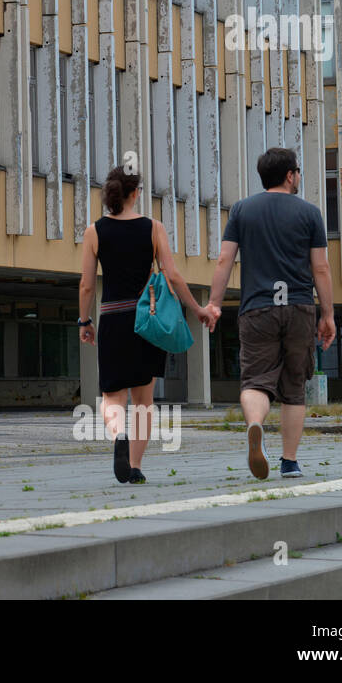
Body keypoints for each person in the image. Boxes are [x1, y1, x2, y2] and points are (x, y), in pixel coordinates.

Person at [79, 167, 216, 485]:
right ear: (135, 193)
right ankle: (136, 467)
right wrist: (196, 309)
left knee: (112, 396)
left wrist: (84, 321)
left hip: (113, 319)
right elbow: (172, 275)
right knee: (143, 400)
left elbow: (87, 285)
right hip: (147, 320)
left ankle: (119, 436)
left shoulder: (94, 231)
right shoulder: (153, 228)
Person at [208, 147, 336, 480]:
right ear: (290, 175)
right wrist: (327, 315)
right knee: (294, 386)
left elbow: (224, 260)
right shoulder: (310, 213)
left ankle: (255, 425)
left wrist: (215, 304)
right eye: (298, 172)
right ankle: (290, 462)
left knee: (256, 381)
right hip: (297, 307)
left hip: (257, 308)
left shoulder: (241, 210)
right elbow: (320, 268)